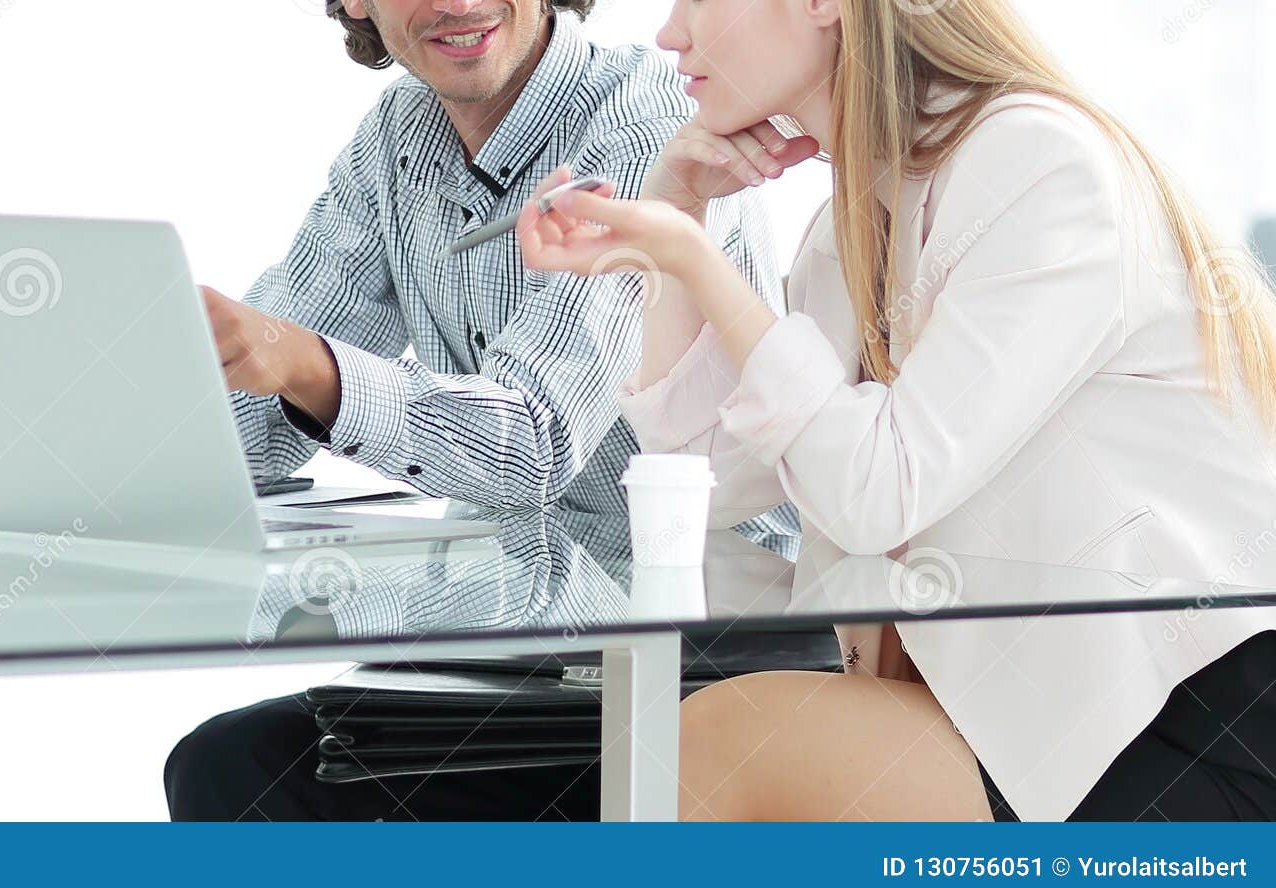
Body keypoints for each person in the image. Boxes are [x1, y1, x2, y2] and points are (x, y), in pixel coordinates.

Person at [519, 0, 1276, 821]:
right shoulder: (850, 225)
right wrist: (676, 221)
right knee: (694, 748)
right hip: (1016, 723)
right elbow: (710, 474)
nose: (670, 34)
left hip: (1186, 739)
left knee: (714, 746)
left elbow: (880, 492)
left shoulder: (1040, 163)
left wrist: (702, 267)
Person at [165, 0, 809, 821]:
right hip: (519, 641)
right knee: (228, 766)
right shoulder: (398, 141)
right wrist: (147, 429)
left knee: (263, 779)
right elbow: (249, 416)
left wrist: (309, 366)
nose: (455, 2)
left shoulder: (647, 121)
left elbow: (531, 443)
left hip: (701, 655)